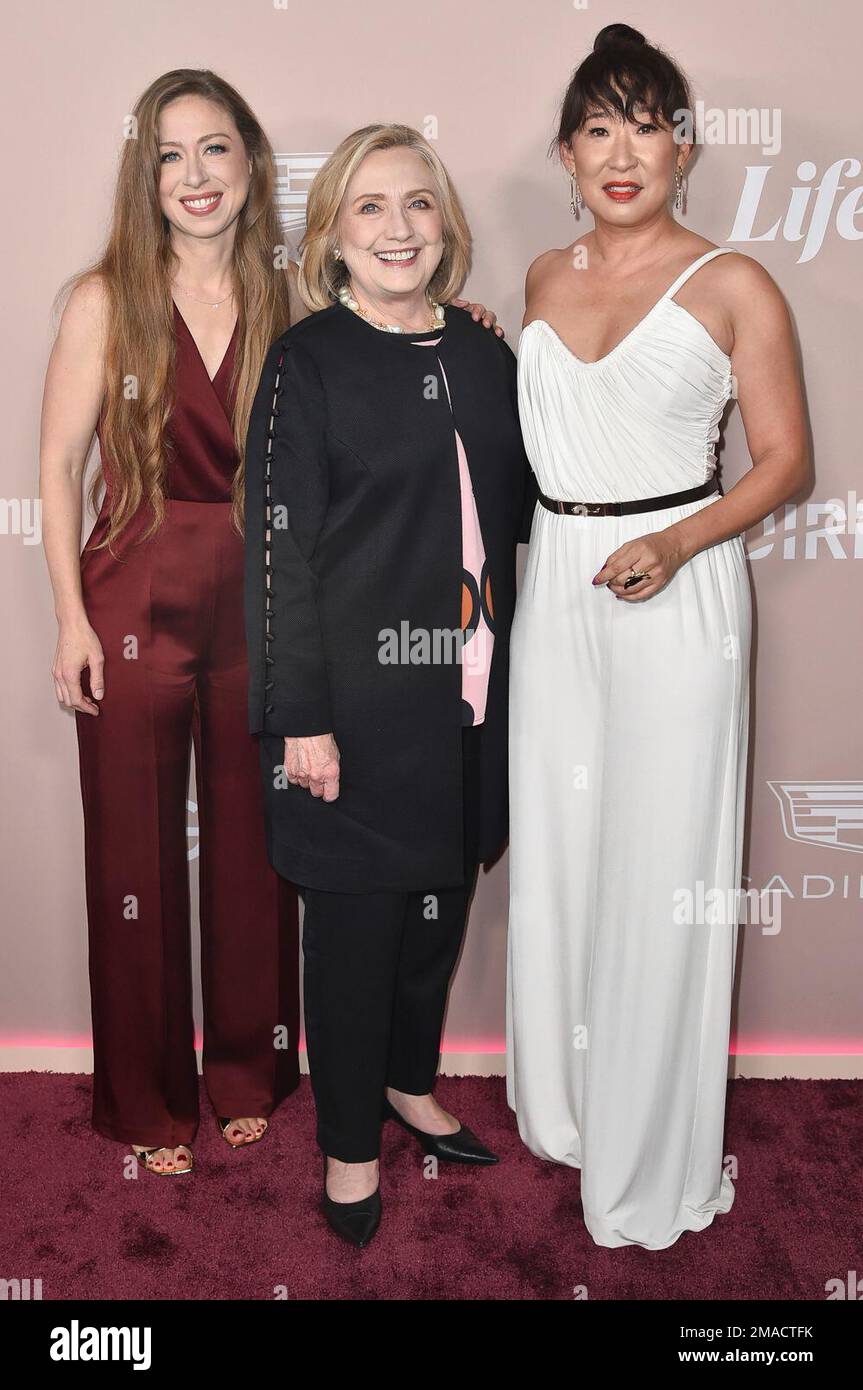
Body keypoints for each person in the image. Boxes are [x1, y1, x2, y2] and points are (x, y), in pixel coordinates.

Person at [506, 24, 809, 1248]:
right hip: (556, 591)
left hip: (675, 588)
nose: (619, 151)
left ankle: (648, 1156)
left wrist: (678, 543)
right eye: (595, 128)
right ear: (565, 155)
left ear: (684, 148)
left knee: (657, 873)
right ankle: (573, 1111)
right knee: (566, 852)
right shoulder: (536, 279)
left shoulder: (734, 282)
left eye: (644, 124)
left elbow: (786, 465)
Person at [244, 124, 534, 1245]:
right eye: (369, 207)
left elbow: (517, 510)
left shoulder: (478, 354)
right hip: (355, 714)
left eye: (418, 205)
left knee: (436, 913)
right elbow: (280, 552)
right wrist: (300, 716)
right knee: (359, 938)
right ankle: (349, 1146)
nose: (398, 228)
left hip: (464, 701)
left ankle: (410, 1085)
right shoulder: (306, 361)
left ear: (445, 226)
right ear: (331, 237)